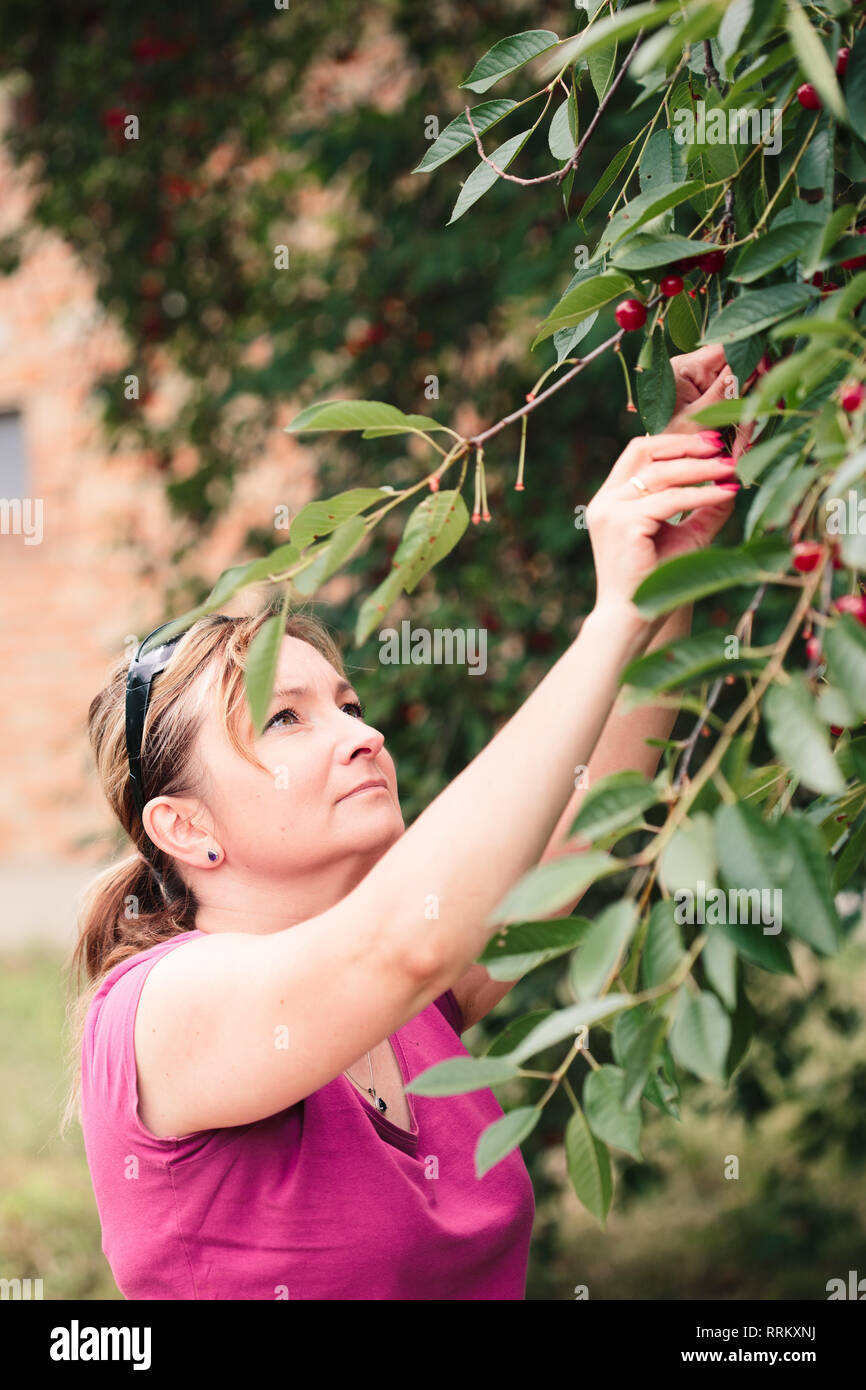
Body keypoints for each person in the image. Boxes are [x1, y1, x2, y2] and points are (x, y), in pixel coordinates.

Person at [62, 347, 744, 1300]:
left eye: (346, 703)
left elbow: (586, 809)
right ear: (184, 828)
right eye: (286, 717)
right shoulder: (161, 1011)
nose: (363, 734)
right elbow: (403, 941)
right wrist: (608, 613)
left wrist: (675, 565)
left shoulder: (414, 1008)